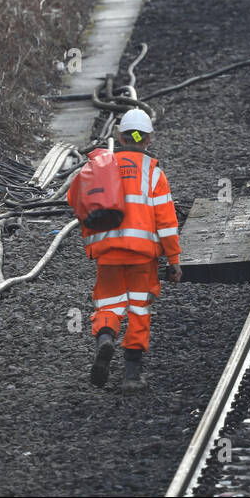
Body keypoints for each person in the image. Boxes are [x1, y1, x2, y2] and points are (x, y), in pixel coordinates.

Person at [67, 108, 181, 390]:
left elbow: (75, 198)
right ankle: (132, 375)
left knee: (109, 304)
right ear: (148, 139)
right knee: (138, 309)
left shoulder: (101, 166)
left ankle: (105, 338)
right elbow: (166, 222)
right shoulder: (153, 173)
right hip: (143, 256)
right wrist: (174, 261)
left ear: (120, 136)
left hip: (107, 253)